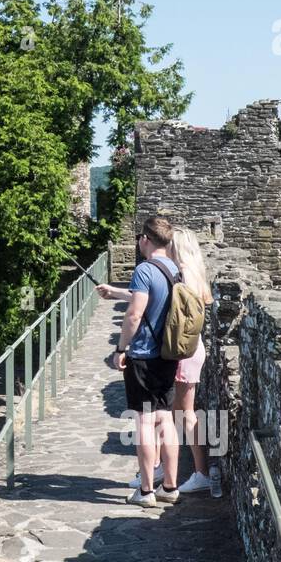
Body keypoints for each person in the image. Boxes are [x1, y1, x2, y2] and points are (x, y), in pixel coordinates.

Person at [96, 216, 180, 508]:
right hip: (168, 356)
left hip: (143, 355)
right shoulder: (173, 269)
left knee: (144, 421)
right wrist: (116, 292)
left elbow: (134, 314)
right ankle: (170, 485)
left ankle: (146, 491)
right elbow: (154, 300)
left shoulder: (144, 270)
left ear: (145, 239)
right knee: (166, 419)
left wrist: (121, 348)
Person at [168, 228, 214, 494]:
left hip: (185, 350)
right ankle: (171, 468)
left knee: (184, 415)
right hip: (194, 347)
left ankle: (200, 472)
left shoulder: (183, 273)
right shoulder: (196, 271)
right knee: (177, 413)